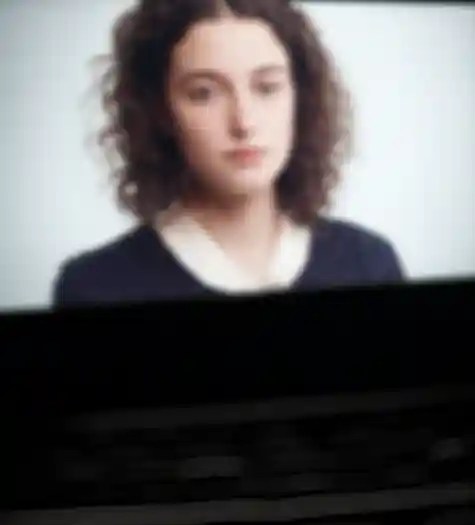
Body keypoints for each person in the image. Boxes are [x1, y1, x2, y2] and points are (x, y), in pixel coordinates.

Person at [53, 0, 405, 308]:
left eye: (266, 88)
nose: (243, 122)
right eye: (204, 93)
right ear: (159, 112)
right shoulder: (95, 288)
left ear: (300, 99)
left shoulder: (369, 263)